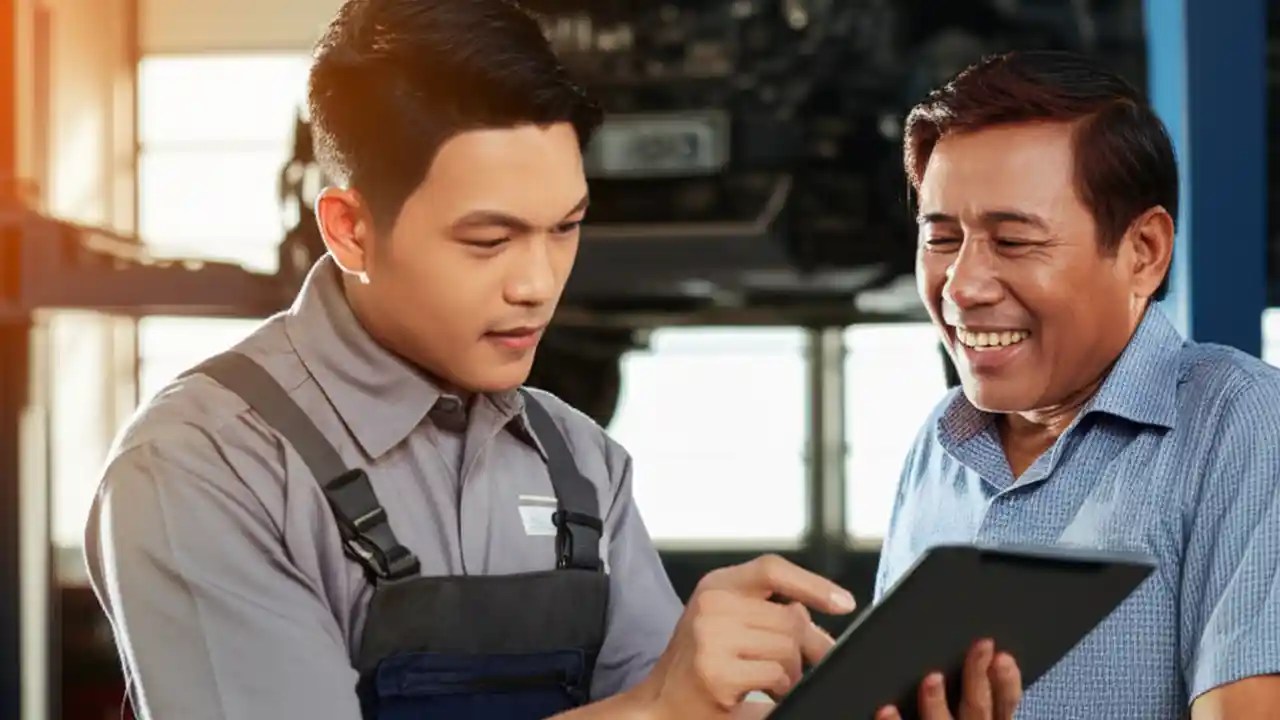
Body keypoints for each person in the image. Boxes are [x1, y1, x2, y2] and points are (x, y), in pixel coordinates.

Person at [85, 1, 1022, 719]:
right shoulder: (205, 467)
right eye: (488, 241)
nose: (538, 283)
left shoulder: (579, 464)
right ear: (351, 228)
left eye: (565, 228)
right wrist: (656, 702)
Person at [877, 48, 1280, 718]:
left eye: (1012, 242)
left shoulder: (1243, 428)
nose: (962, 286)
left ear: (1142, 252)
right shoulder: (937, 452)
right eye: (941, 239)